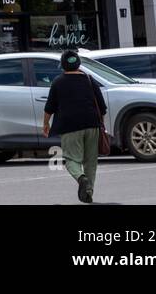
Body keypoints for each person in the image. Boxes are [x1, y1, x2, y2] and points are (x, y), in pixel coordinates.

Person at [42, 49, 107, 203]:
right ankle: (89, 191)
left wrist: (45, 124)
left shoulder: (58, 82)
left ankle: (81, 178)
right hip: (92, 124)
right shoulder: (90, 80)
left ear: (63, 66)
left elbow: (49, 107)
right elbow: (102, 108)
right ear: (79, 64)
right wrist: (100, 124)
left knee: (72, 159)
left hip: (69, 126)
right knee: (91, 161)